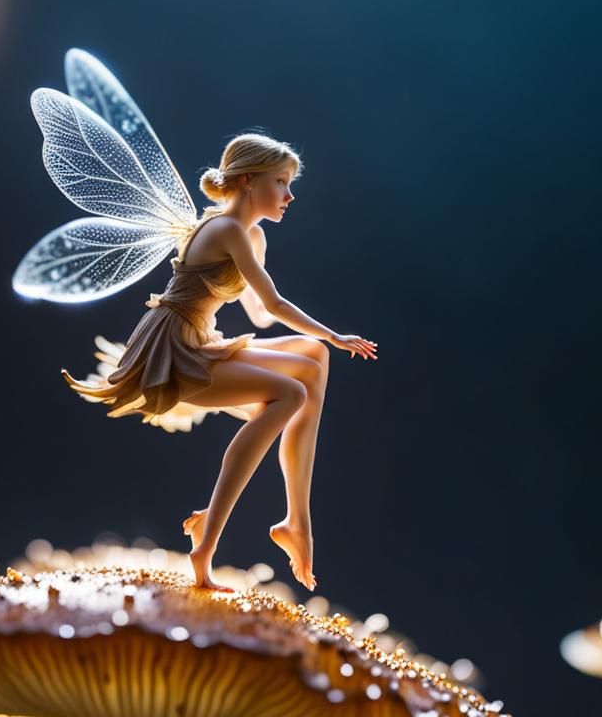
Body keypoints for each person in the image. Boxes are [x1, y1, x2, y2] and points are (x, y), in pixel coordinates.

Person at [61, 133, 377, 591]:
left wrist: (319, 339)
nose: (289, 195)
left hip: (203, 339)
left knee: (311, 359)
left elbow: (257, 312)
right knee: (292, 391)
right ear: (248, 181)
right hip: (174, 351)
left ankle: (296, 521)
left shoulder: (251, 235)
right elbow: (273, 303)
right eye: (281, 182)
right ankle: (206, 542)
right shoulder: (225, 229)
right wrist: (334, 332)